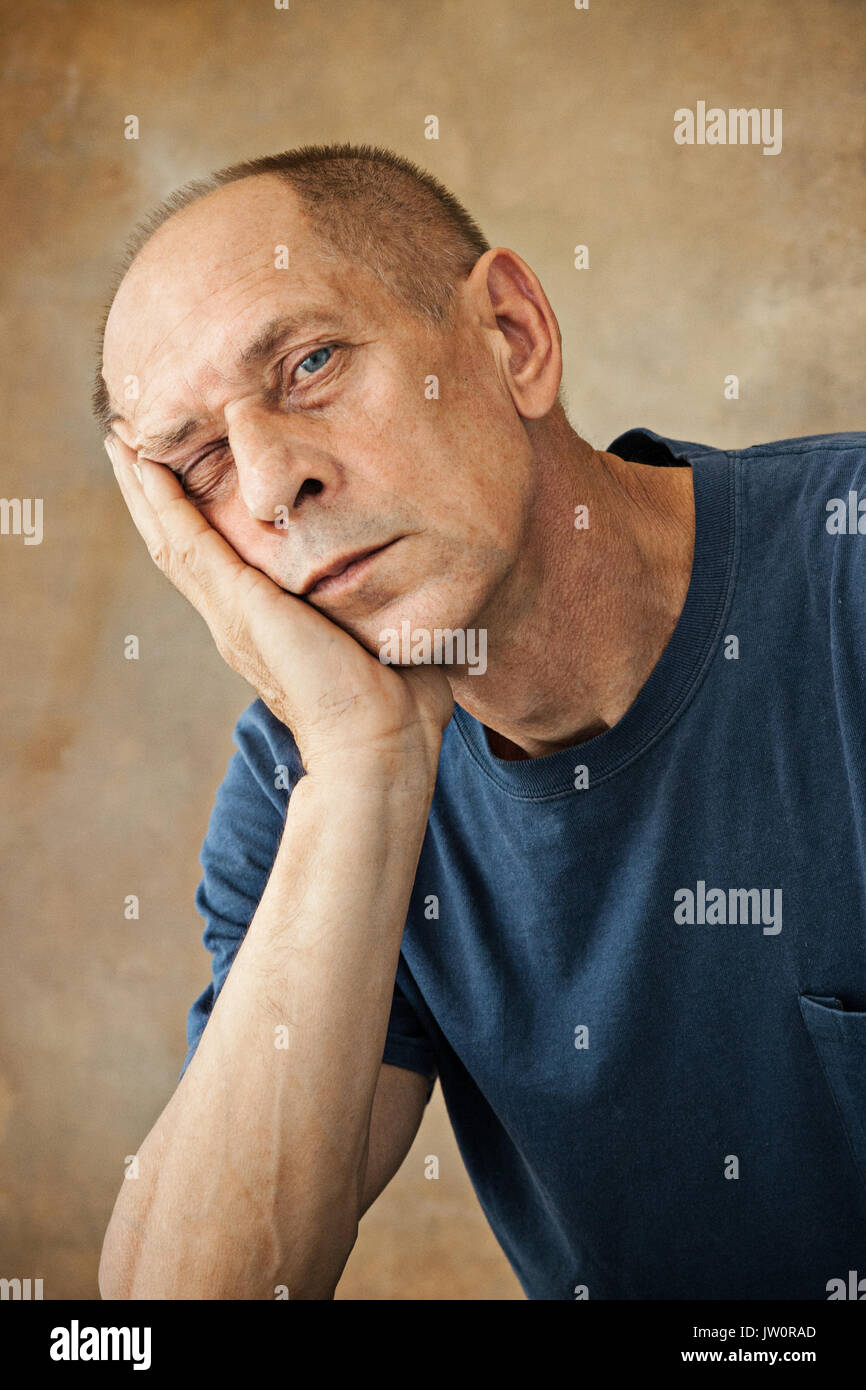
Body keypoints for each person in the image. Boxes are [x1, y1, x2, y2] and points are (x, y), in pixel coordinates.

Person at [95, 143, 866, 1301]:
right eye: (197, 463)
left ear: (510, 337)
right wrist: (364, 767)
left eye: (308, 364)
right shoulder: (304, 786)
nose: (266, 486)